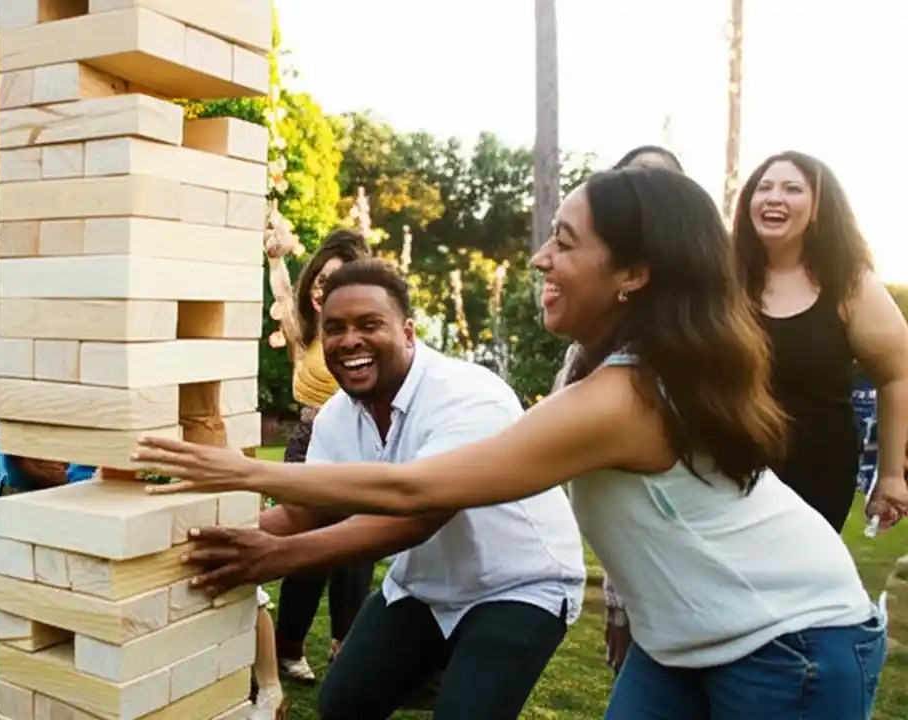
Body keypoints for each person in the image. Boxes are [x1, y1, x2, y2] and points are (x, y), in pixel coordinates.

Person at [135, 167, 898, 718]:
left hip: (793, 640)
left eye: (563, 243)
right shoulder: (609, 376)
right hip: (683, 645)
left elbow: (421, 491)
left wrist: (238, 471)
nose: (540, 259)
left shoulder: (626, 395)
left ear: (633, 272)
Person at [168, 259, 586, 719]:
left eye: (370, 324)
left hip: (517, 584)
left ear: (408, 331)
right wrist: (212, 537)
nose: (350, 341)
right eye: (335, 328)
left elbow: (419, 514)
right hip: (423, 586)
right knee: (344, 704)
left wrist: (273, 557)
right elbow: (305, 511)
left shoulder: (469, 395)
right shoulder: (336, 416)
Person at [558, 144, 686, 674]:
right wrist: (619, 599)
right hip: (654, 602)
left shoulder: (644, 378)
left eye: (562, 243)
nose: (542, 258)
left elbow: (440, 484)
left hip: (767, 636)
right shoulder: (590, 359)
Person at [733, 151, 908, 532]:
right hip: (724, 467)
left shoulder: (850, 286)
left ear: (818, 209)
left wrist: (892, 476)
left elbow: (897, 376)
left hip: (815, 475)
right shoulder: (721, 279)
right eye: (763, 188)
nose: (774, 197)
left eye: (792, 188)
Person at [264, 215, 375, 681]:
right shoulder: (308, 335)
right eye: (320, 278)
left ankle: (345, 645)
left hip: (354, 441)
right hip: (307, 441)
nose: (321, 288)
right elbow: (285, 294)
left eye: (335, 281)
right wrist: (274, 260)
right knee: (305, 549)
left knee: (354, 551)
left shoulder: (359, 337)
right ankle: (288, 648)